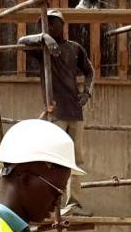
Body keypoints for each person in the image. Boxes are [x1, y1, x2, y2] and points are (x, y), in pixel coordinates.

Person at [18, 12, 95, 217]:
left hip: (75, 112)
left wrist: (87, 92)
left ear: (62, 25)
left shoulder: (74, 48)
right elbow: (21, 41)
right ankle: (51, 204)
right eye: (46, 25)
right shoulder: (43, 49)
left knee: (76, 160)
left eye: (52, 24)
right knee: (54, 160)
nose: (49, 28)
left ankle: (73, 204)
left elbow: (90, 71)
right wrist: (43, 37)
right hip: (56, 113)